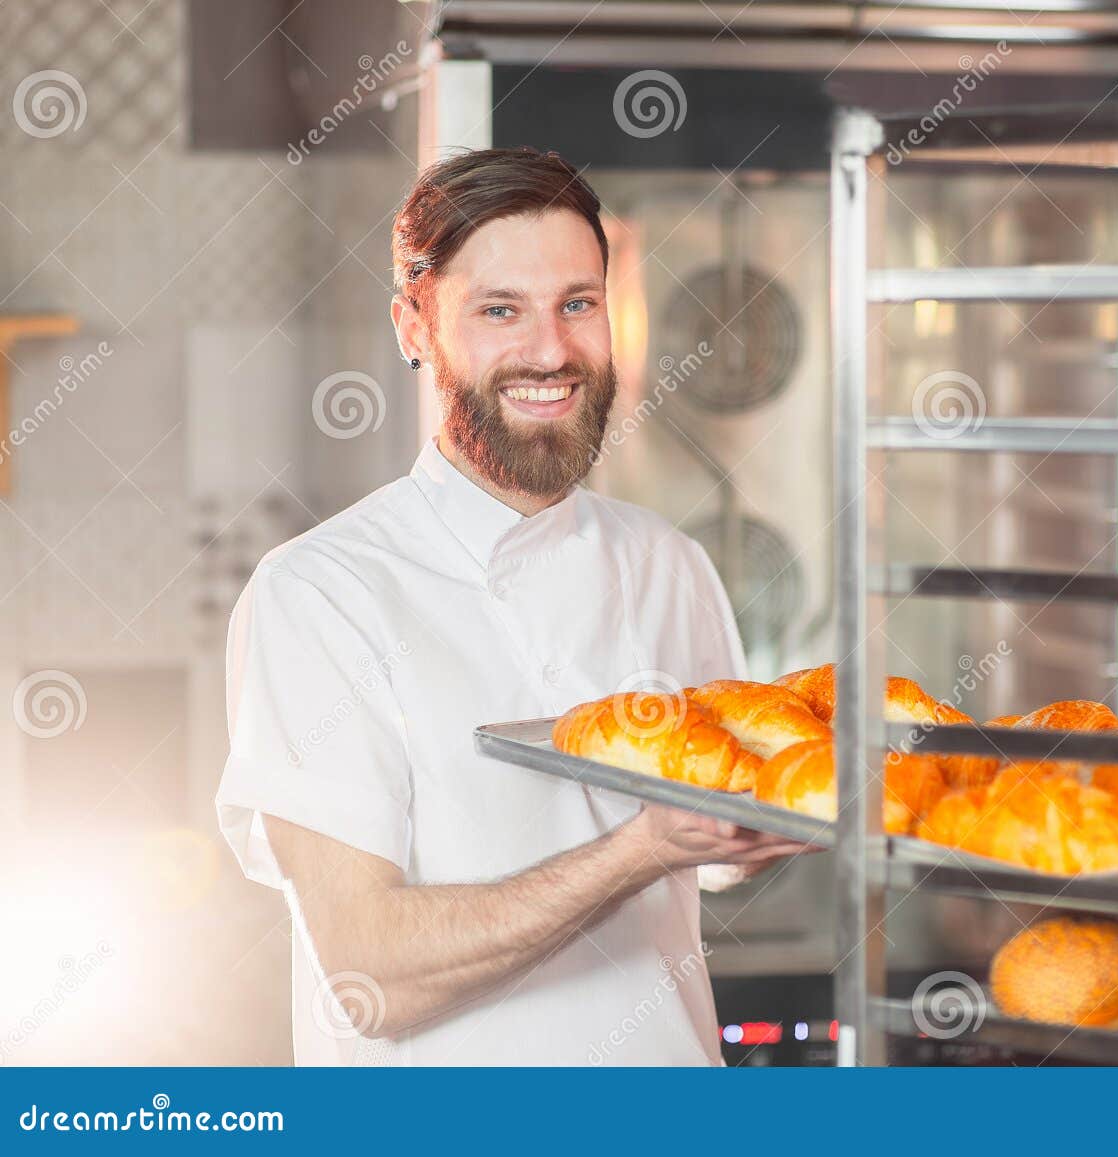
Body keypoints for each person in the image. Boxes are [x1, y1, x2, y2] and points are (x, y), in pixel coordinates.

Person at [215, 147, 812, 1066]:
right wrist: (639, 849)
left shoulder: (671, 563)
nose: (551, 351)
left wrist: (785, 807)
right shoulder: (321, 595)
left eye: (578, 303)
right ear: (414, 326)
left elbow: (720, 846)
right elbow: (370, 977)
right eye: (501, 310)